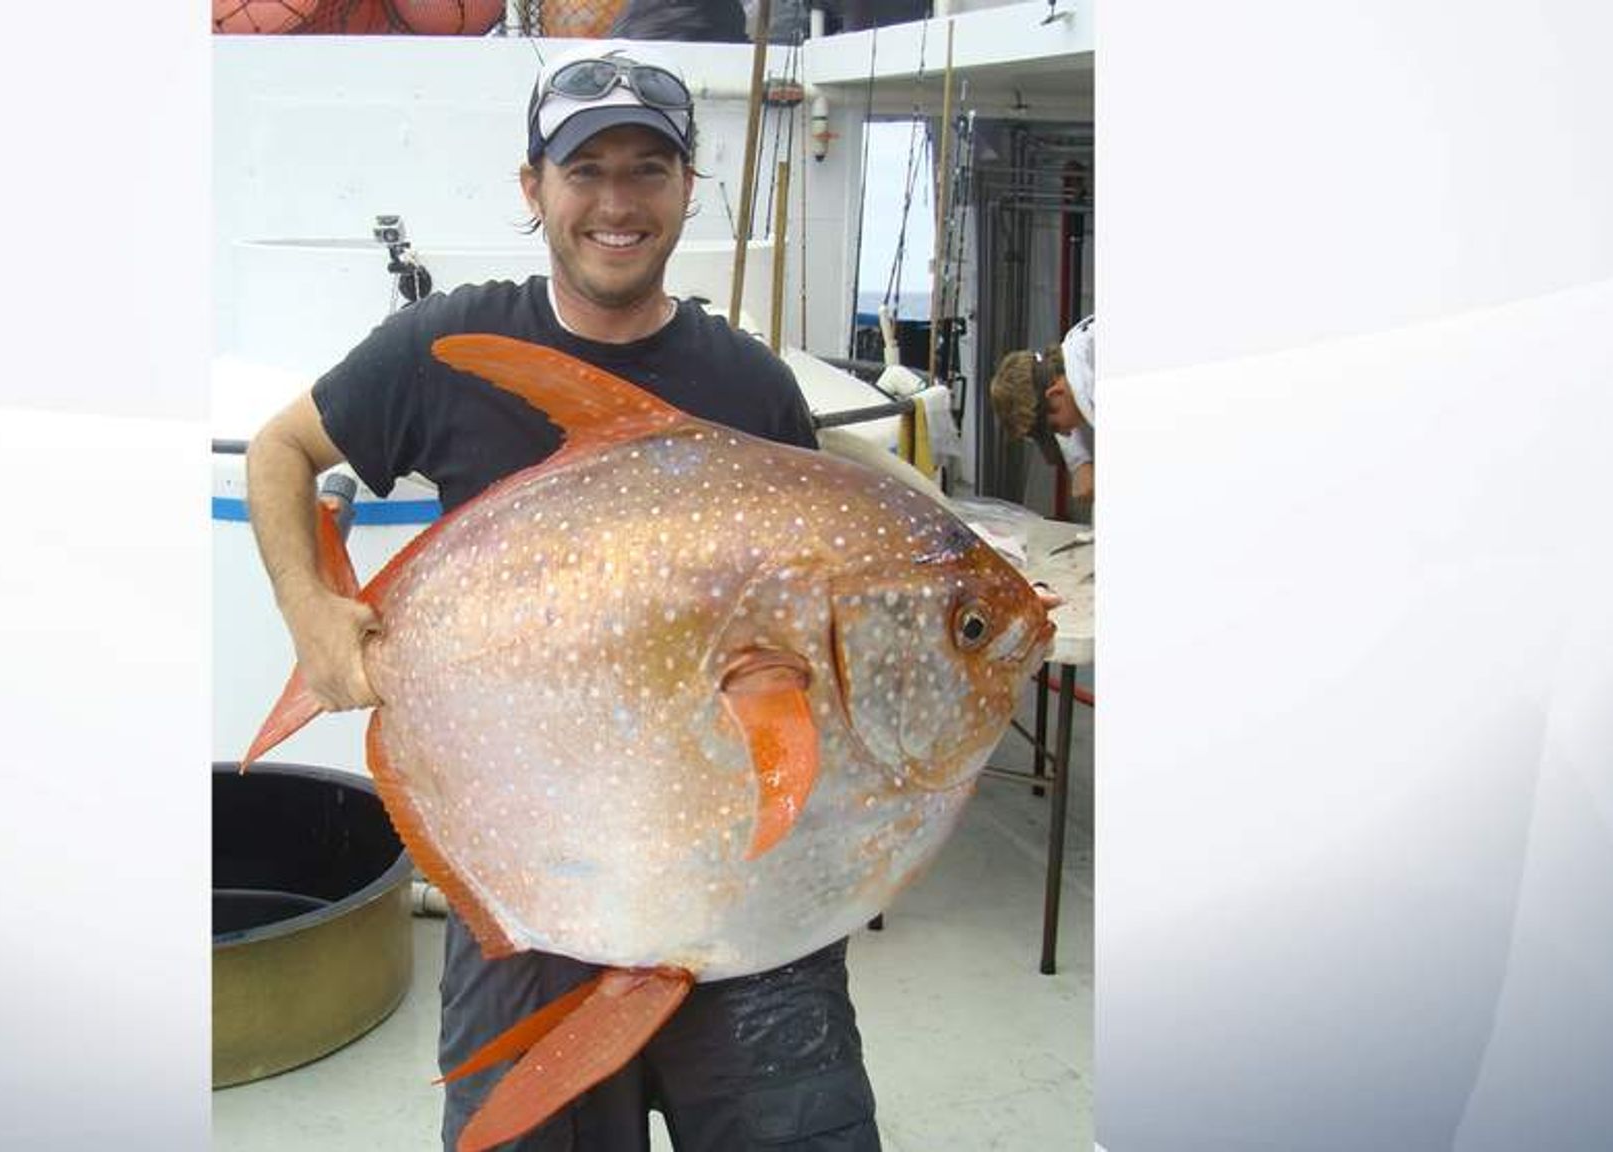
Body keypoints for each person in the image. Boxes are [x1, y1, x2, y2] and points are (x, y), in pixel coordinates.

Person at [243, 41, 883, 1152]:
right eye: (585, 171)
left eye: (647, 170)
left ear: (689, 188)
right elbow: (280, 450)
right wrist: (314, 614)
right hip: (530, 878)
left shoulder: (749, 387)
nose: (616, 204)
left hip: (727, 884)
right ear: (532, 187)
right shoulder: (440, 346)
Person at [989, 313, 1095, 502]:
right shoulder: (1076, 348)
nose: (1067, 434)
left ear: (1054, 393)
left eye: (1055, 427)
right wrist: (1080, 463)